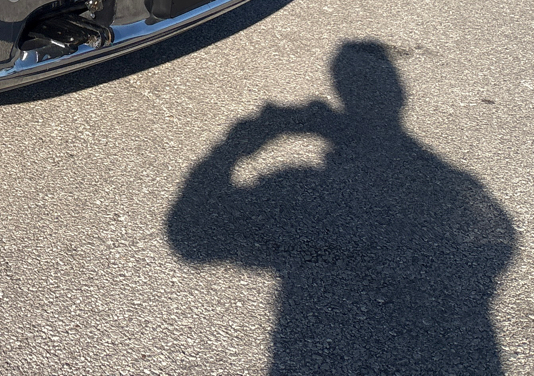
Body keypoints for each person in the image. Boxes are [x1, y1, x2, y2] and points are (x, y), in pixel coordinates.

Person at [167, 40, 515, 374]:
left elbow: (190, 238)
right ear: (400, 97)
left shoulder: (298, 184)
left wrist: (238, 143)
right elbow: (494, 246)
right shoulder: (462, 191)